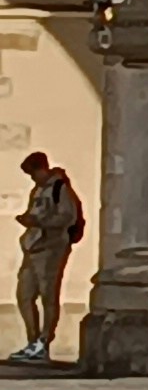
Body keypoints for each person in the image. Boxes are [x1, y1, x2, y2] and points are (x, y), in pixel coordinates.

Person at [13, 151, 83, 361]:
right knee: (24, 295)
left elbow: (67, 217)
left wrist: (40, 222)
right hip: (33, 247)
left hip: (52, 247)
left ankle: (43, 341)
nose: (32, 178)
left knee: (48, 296)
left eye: (34, 173)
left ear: (42, 169)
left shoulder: (60, 188)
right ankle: (32, 341)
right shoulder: (37, 190)